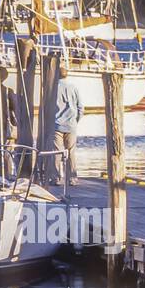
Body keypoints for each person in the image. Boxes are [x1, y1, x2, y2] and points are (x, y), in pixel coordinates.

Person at [53, 64, 84, 192]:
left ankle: (56, 177)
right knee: (71, 152)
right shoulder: (74, 87)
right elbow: (80, 107)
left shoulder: (53, 88)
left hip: (56, 124)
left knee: (57, 152)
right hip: (71, 124)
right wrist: (76, 120)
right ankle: (72, 177)